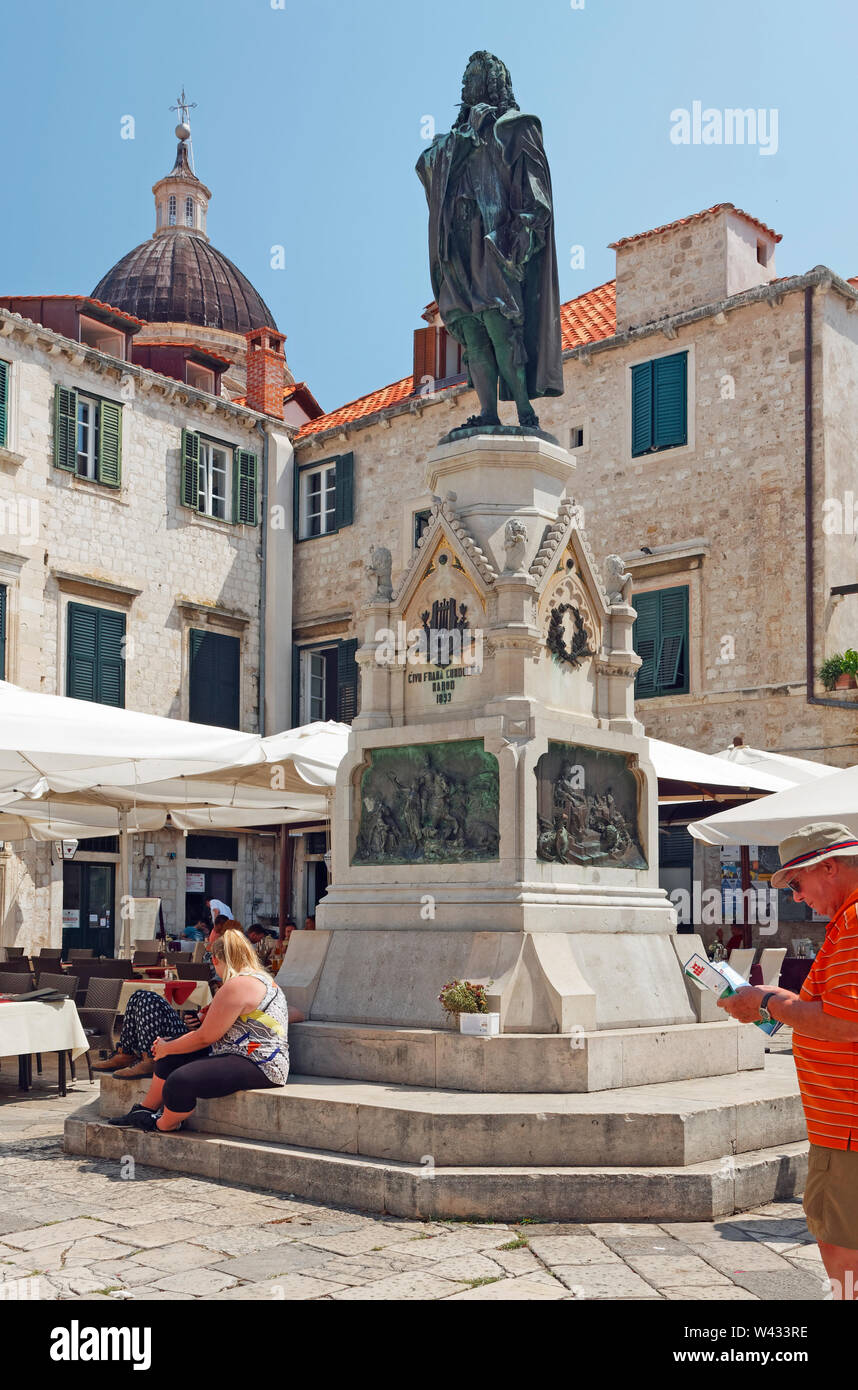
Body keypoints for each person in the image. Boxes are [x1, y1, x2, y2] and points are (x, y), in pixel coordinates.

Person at [718, 822, 858, 1300]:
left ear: (829, 867)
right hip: (844, 1119)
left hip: (848, 1123)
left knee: (842, 1244)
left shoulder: (855, 920)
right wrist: (779, 999)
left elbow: (846, 1022)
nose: (796, 897)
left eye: (797, 883)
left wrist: (768, 1006)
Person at [109, 928, 294, 1132]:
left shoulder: (237, 985)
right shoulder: (263, 980)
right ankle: (144, 1109)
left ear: (215, 960)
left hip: (259, 1062)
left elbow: (205, 1037)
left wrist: (167, 1047)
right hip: (244, 1052)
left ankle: (163, 1123)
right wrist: (169, 1047)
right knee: (171, 1054)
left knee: (179, 1081)